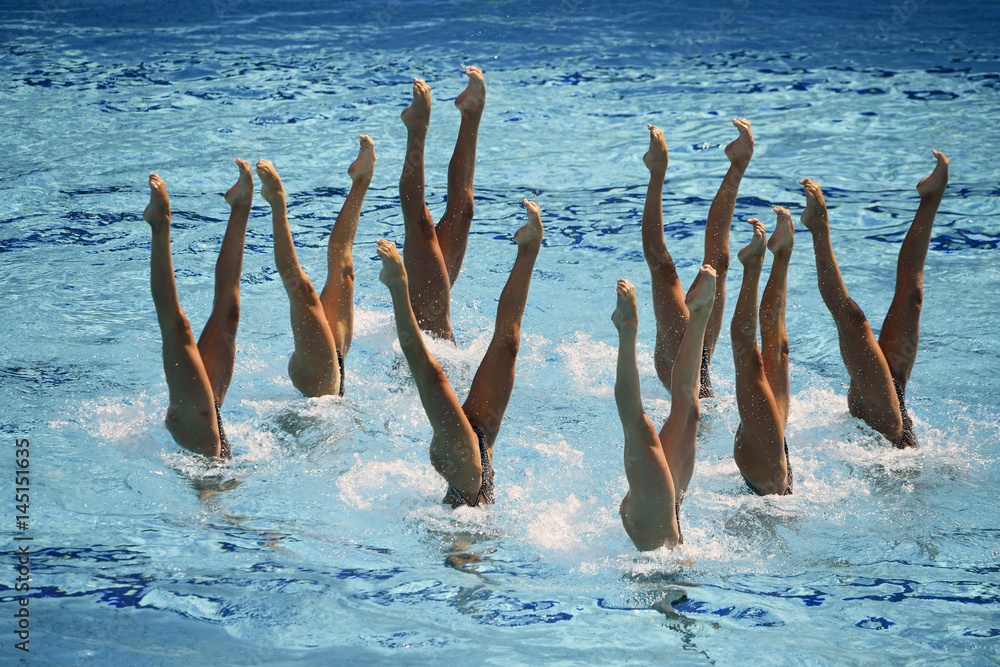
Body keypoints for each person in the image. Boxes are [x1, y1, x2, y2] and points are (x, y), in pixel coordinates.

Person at [375, 200, 543, 507]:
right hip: (480, 455)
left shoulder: (460, 532)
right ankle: (529, 248)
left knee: (431, 374)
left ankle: (398, 287)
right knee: (509, 343)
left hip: (465, 472)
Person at [800, 150, 949, 448]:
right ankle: (931, 196)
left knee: (852, 319)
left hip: (883, 420)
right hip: (896, 407)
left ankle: (818, 226)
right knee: (913, 294)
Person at [142, 160, 253, 458]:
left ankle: (160, 224)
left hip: (200, 435)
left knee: (178, 328)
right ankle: (241, 206)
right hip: (212, 427)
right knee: (229, 310)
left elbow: (208, 497)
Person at [256, 135, 376, 397]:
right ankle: (362, 180)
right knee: (345, 271)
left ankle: (277, 201)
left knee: (302, 289)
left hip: (322, 383)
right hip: (335, 370)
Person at [640, 120, 753, 398]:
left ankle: (657, 170)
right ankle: (738, 163)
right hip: (695, 372)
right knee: (721, 263)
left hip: (677, 363)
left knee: (662, 265)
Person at [612, 267, 717, 550]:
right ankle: (700, 313)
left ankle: (627, 328)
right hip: (668, 518)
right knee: (689, 410)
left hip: (655, 527)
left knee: (641, 428)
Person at [398, 66, 486, 340]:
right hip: (437, 341)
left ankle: (417, 129)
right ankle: (471, 112)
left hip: (424, 338)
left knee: (421, 224)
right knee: (464, 211)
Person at [730, 211, 795, 495]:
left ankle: (755, 265)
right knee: (776, 349)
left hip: (769, 469)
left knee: (753, 355)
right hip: (772, 466)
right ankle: (779, 254)